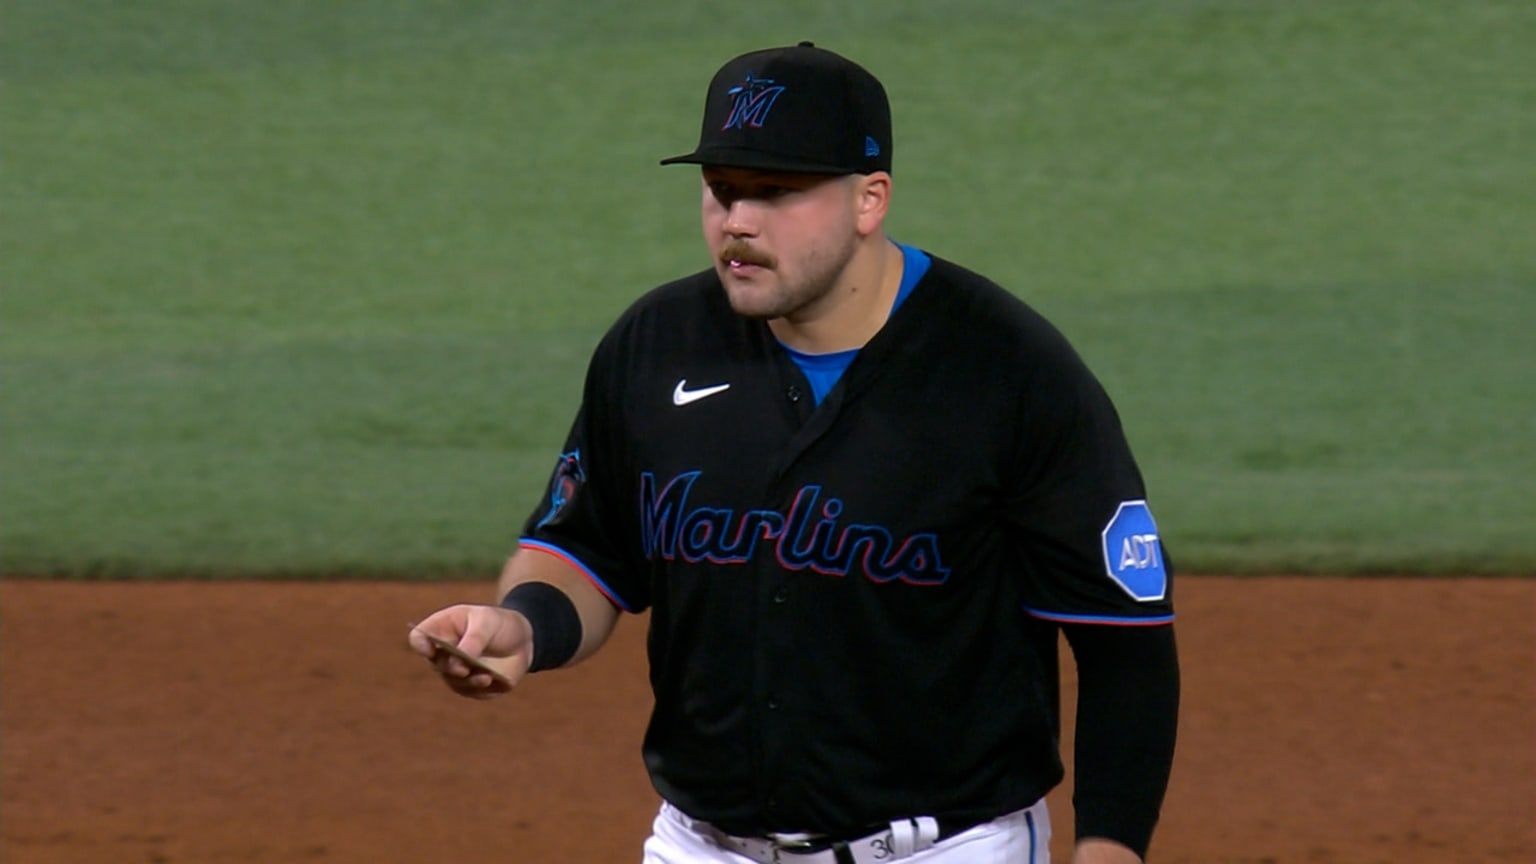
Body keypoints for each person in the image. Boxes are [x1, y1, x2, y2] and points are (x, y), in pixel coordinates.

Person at [409, 41, 1179, 864]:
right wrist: (522, 627)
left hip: (941, 849)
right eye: (722, 191)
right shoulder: (656, 344)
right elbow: (582, 550)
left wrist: (1111, 850)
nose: (738, 221)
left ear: (869, 200)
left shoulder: (1009, 370)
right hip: (699, 844)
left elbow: (1122, 641)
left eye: (777, 192)